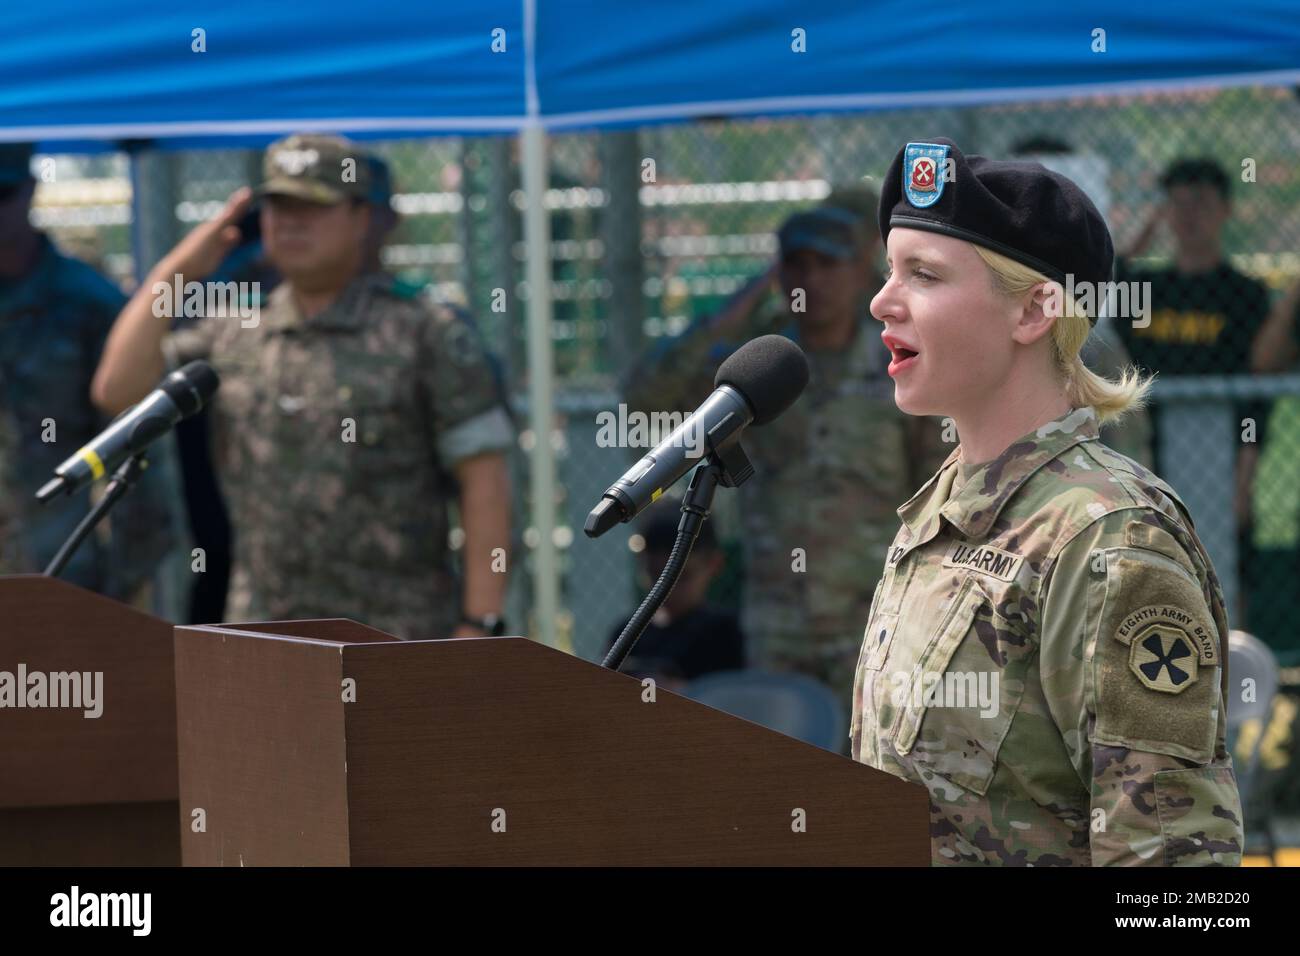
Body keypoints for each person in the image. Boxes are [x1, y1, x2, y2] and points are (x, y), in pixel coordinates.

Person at [853, 138, 1242, 866]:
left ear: (1034, 312)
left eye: (924, 275)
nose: (882, 300)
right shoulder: (942, 507)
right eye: (889, 271)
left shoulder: (1111, 540)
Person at [91, 134, 513, 640]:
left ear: (360, 219)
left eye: (313, 206)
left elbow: (484, 478)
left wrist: (479, 623)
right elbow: (118, 389)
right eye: (278, 206)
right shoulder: (235, 330)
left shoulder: (426, 331)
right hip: (265, 634)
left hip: (397, 635)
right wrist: (175, 271)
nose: (291, 222)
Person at [625, 201, 949, 710]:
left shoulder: (898, 363)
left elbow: (938, 485)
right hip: (778, 621)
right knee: (783, 768)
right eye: (796, 265)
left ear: (859, 270)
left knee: (876, 775)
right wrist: (742, 305)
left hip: (876, 612)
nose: (812, 280)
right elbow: (646, 398)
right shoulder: (758, 371)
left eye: (828, 265)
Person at [0, 143, 174, 601]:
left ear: (30, 191)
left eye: (2, 195)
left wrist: (107, 599)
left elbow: (139, 459)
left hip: (61, 580)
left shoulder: (88, 304)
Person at [605, 498, 745, 690]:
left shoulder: (726, 635)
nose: (666, 591)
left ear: (714, 564)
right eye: (655, 575)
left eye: (682, 577)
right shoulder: (627, 635)